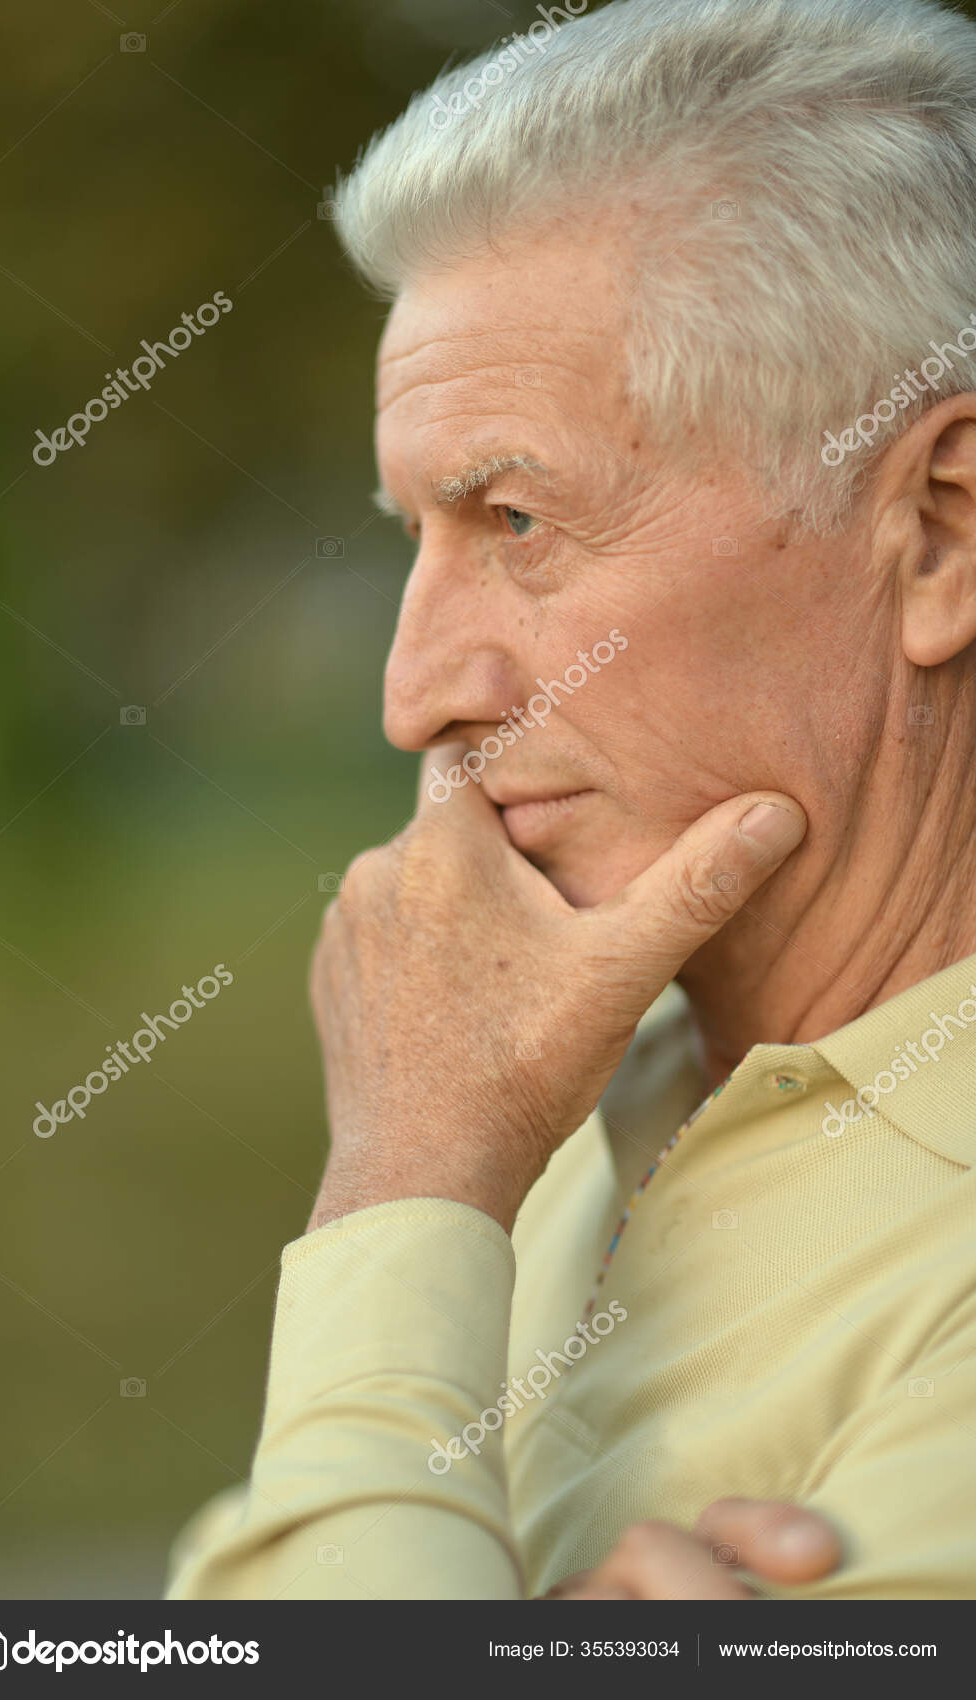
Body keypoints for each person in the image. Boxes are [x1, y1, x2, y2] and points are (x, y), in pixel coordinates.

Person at [167, 0, 976, 1599]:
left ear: (939, 532)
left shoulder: (455, 1138)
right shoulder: (555, 1096)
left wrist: (400, 1191)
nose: (417, 696)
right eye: (417, 535)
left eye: (517, 519)